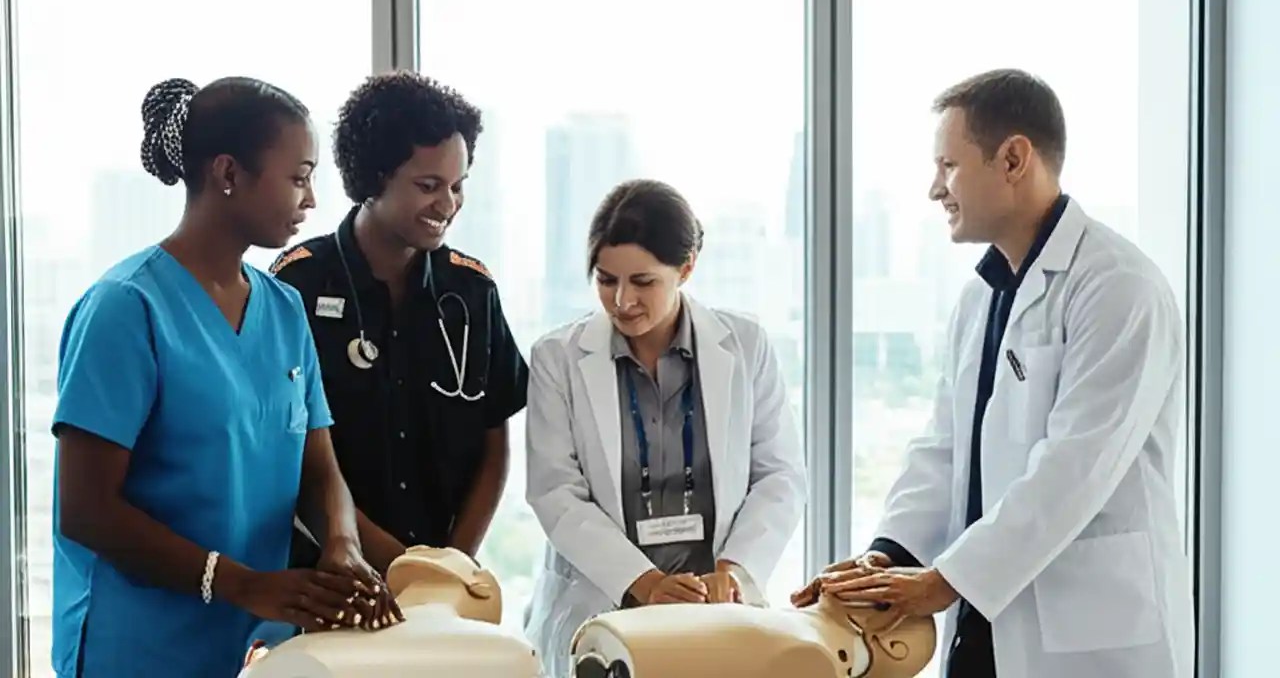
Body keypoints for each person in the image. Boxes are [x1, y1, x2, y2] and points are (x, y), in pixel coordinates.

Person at [793, 69, 1194, 677]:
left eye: (948, 166)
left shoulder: (1119, 287)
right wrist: (887, 555)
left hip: (1091, 634)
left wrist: (945, 579)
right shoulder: (981, 297)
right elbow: (945, 449)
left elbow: (1075, 467)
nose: (935, 189)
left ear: (1012, 159)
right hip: (987, 623)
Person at [51, 77, 400, 678]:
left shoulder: (285, 309)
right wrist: (239, 584)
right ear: (228, 173)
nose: (311, 199)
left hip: (257, 648)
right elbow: (85, 511)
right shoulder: (125, 309)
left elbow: (319, 468)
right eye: (298, 177)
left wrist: (341, 544)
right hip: (138, 646)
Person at [523, 178, 807, 677]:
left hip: (714, 607)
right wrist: (645, 582)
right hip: (605, 605)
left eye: (643, 281)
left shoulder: (745, 345)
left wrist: (734, 569)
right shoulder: (558, 358)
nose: (621, 301)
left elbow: (780, 475)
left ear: (687, 267)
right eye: (606, 279)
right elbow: (555, 493)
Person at [270, 71, 528, 576]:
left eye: (458, 186)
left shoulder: (473, 293)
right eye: (428, 186)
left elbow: (494, 443)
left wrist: (453, 563)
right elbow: (293, 454)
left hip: (444, 580)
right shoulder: (295, 286)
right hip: (331, 576)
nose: (448, 205)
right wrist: (402, 565)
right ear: (374, 177)